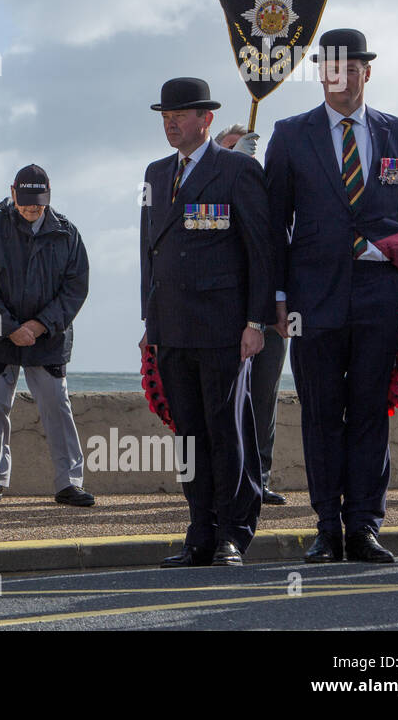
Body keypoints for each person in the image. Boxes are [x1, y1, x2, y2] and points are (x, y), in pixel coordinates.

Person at [264, 28, 398, 564]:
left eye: (350, 68)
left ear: (366, 72)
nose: (340, 78)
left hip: (381, 295)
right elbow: (273, 225)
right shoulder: (290, 135)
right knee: (320, 412)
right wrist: (280, 297)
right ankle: (327, 527)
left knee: (370, 414)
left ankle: (363, 526)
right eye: (329, 68)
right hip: (313, 299)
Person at [140, 78, 268, 567]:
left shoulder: (236, 169)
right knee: (189, 434)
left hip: (222, 326)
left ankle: (233, 533)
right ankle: (199, 531)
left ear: (206, 119)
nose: (171, 123)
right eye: (166, 116)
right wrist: (148, 319)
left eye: (181, 115)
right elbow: (149, 251)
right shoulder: (155, 174)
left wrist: (256, 320)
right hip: (171, 324)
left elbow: (261, 249)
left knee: (225, 430)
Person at [0, 164, 93, 507]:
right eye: (26, 201)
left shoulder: (67, 233)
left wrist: (39, 325)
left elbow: (75, 288)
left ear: (49, 193)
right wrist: (9, 327)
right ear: (12, 192)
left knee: (56, 404)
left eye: (39, 201)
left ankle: (70, 482)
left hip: (47, 338)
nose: (33, 207)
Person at [216, 123, 288, 506]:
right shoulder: (208, 185)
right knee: (224, 400)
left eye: (242, 150)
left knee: (264, 398)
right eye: (228, 149)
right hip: (224, 311)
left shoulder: (269, 191)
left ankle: (260, 477)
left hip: (268, 311)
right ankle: (226, 479)